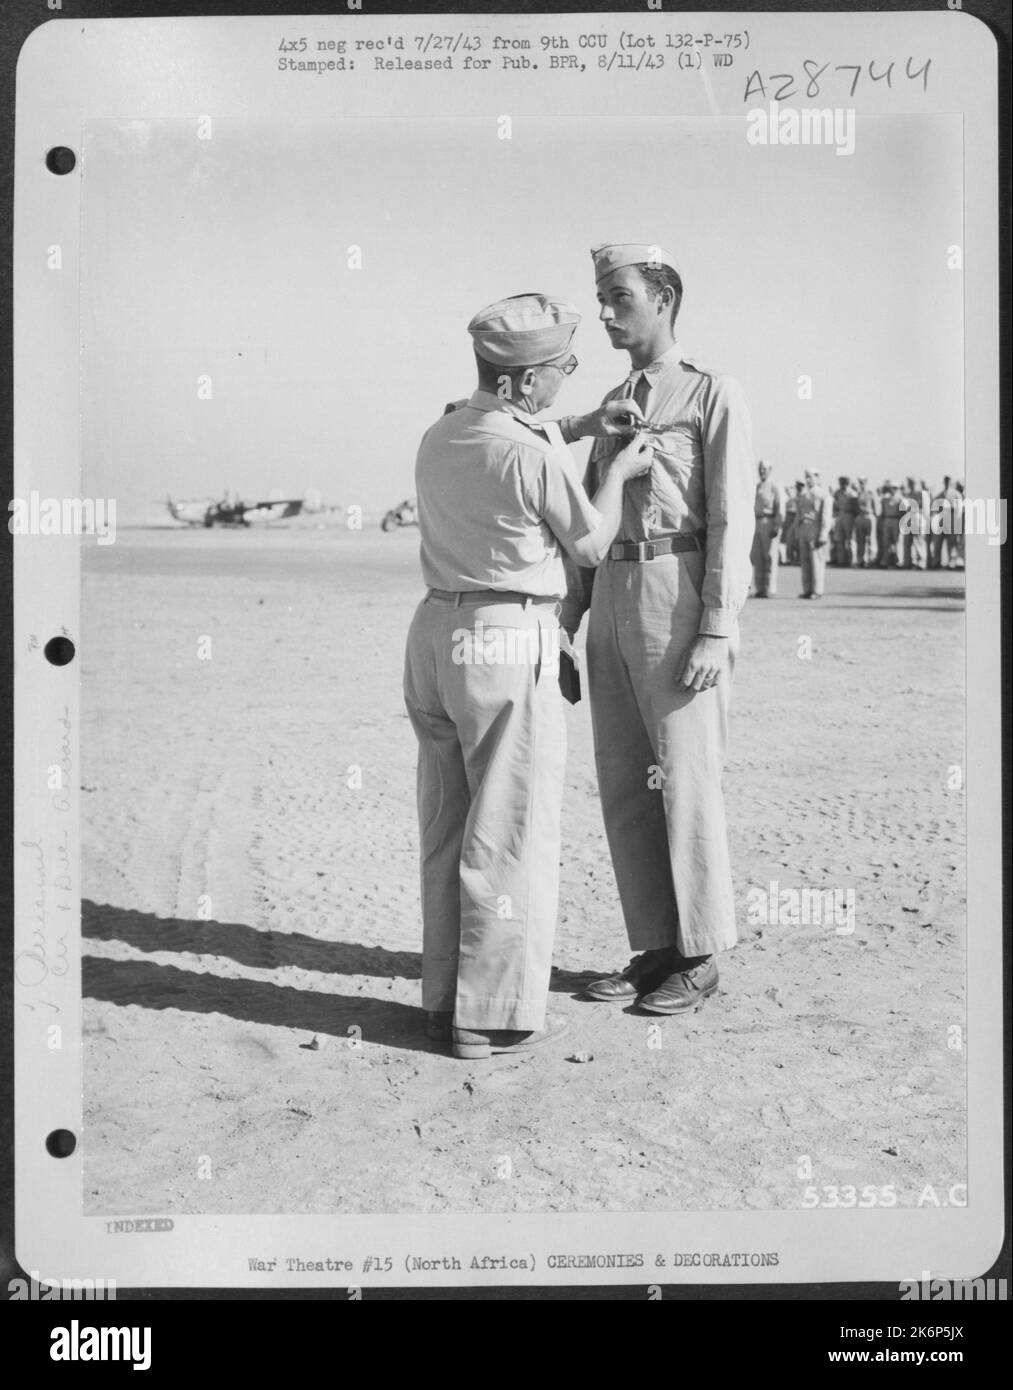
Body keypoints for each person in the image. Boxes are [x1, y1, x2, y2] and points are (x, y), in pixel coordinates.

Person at [404, 293, 654, 1059]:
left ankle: (445, 995)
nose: (562, 386)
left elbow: (511, 436)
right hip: (506, 640)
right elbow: (588, 543)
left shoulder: (442, 431)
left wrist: (580, 426)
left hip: (436, 634)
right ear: (517, 384)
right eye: (557, 372)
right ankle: (491, 1016)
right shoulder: (532, 452)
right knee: (509, 830)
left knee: (447, 823)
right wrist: (619, 470)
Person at [560, 242, 753, 1015]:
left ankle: (700, 953)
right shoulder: (610, 402)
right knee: (625, 781)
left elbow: (733, 516)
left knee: (685, 777)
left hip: (675, 597)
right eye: (600, 297)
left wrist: (715, 626)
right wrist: (567, 623)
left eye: (618, 296)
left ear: (663, 299)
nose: (605, 312)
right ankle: (654, 948)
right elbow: (583, 519)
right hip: (611, 592)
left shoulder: (712, 393)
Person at [796, 468, 832, 598]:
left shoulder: (823, 495)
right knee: (805, 561)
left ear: (817, 477)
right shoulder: (803, 495)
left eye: (810, 477)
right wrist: (797, 531)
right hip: (804, 527)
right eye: (806, 477)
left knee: (816, 561)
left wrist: (823, 534)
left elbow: (826, 516)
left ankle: (817, 590)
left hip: (815, 527)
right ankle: (807, 589)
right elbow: (799, 515)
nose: (808, 480)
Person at [750, 459, 783, 597]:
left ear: (770, 470)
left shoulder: (775, 487)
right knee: (757, 558)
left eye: (765, 469)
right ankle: (760, 588)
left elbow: (780, 509)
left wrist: (776, 526)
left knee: (770, 557)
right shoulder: (756, 487)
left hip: (769, 522)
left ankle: (770, 589)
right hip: (756, 523)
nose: (762, 471)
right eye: (760, 469)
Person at [854, 475, 879, 567]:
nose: (861, 483)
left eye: (863, 481)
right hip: (860, 516)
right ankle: (861, 560)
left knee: (871, 539)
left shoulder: (871, 492)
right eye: (860, 482)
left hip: (869, 516)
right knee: (860, 540)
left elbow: (876, 506)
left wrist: (876, 516)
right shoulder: (859, 493)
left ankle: (871, 560)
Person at [783, 480, 803, 564]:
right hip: (792, 521)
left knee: (798, 541)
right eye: (797, 486)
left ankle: (799, 559)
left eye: (800, 486)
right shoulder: (793, 497)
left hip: (799, 521)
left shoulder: (803, 496)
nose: (799, 488)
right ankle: (790, 558)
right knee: (790, 540)